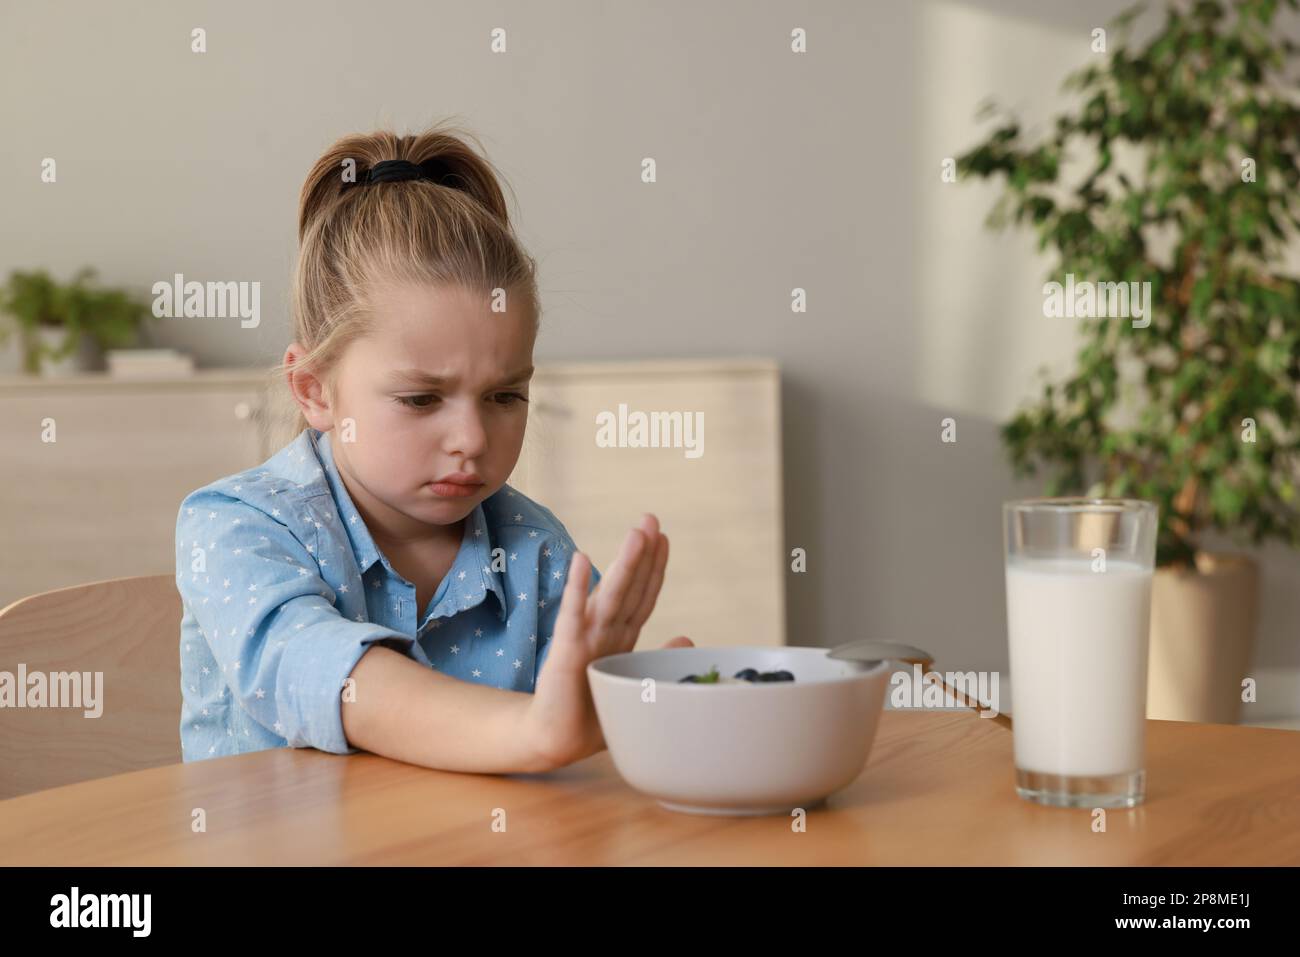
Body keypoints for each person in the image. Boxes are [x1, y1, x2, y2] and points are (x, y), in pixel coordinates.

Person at [174, 123, 692, 773]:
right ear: (314, 390)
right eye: (421, 399)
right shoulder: (234, 528)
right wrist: (534, 730)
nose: (473, 441)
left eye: (505, 396)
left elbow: (576, 762)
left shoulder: (537, 550)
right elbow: (340, 681)